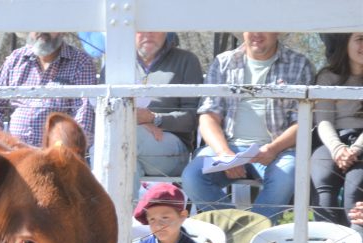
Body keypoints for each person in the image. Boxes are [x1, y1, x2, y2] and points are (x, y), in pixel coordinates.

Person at [180, 32, 315, 222]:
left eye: (264, 27)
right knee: (192, 177)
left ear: (276, 31)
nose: (256, 33)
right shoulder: (223, 62)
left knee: (286, 176)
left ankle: (248, 236)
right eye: (250, 27)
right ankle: (241, 230)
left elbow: (303, 121)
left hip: (278, 150)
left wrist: (273, 148)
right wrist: (224, 153)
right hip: (229, 146)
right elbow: (208, 116)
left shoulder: (299, 63)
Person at [0, 32, 96, 152]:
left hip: (57, 157)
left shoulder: (80, 62)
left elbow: (84, 114)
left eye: (50, 23)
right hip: (14, 154)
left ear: (62, 30)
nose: (43, 29)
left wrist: (64, 153)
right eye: (38, 22)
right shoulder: (16, 59)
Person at [127, 33, 204, 183]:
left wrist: (155, 119)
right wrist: (141, 123)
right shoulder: (118, 61)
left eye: (155, 28)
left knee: (122, 141)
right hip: (131, 145)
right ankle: (124, 207)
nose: (149, 34)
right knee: (127, 165)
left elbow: (193, 118)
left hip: (173, 148)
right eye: (142, 28)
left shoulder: (186, 60)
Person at [310, 33, 363, 226]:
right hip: (332, 140)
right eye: (360, 39)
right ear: (346, 43)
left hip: (361, 143)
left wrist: (355, 149)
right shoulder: (328, 76)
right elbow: (323, 119)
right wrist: (338, 148)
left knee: (354, 187)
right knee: (322, 181)